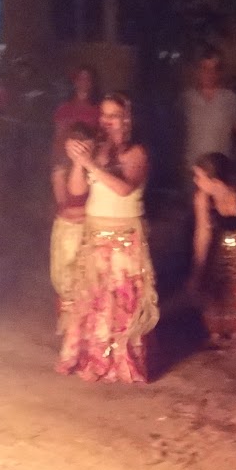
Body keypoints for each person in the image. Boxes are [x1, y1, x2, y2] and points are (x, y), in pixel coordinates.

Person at [56, 93, 158, 383]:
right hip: (96, 234)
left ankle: (122, 362)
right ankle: (94, 358)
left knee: (122, 302)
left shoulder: (137, 152)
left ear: (127, 119)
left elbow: (124, 188)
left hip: (124, 237)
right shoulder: (98, 149)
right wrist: (77, 161)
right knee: (95, 300)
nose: (106, 121)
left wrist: (89, 164)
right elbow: (77, 191)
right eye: (104, 115)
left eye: (113, 115)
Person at [188, 152, 236, 349]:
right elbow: (202, 233)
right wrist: (198, 268)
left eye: (199, 176)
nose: (195, 181)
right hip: (221, 245)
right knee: (216, 281)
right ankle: (220, 330)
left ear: (215, 180)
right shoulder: (203, 198)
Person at [49, 120, 95, 329]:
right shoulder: (61, 169)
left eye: (83, 142)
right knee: (66, 280)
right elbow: (65, 203)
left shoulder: (95, 167)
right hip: (68, 230)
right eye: (74, 142)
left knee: (88, 281)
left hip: (89, 228)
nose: (78, 147)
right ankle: (70, 331)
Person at [181, 49, 236, 173]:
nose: (209, 73)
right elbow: (177, 134)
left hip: (221, 172)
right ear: (198, 71)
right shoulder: (185, 100)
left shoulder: (231, 99)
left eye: (214, 69)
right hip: (191, 170)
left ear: (220, 72)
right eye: (205, 68)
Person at [53, 65, 101, 142]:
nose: (84, 82)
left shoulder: (99, 109)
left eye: (87, 78)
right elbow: (58, 137)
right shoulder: (64, 108)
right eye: (81, 78)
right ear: (75, 82)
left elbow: (101, 136)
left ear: (92, 83)